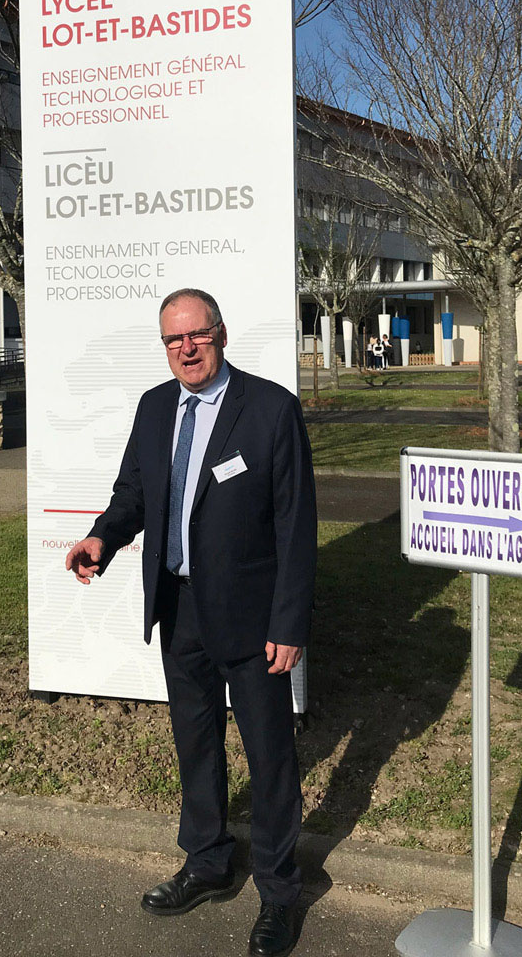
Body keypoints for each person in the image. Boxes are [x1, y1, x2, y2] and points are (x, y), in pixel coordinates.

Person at [65, 288, 317, 957]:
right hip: (178, 610)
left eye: (197, 335)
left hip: (253, 619)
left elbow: (296, 525)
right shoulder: (155, 407)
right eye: (174, 340)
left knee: (269, 756)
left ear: (221, 335)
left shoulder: (269, 409)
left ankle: (279, 892)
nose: (187, 349)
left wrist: (289, 623)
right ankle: (208, 863)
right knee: (196, 743)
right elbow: (134, 493)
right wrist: (102, 538)